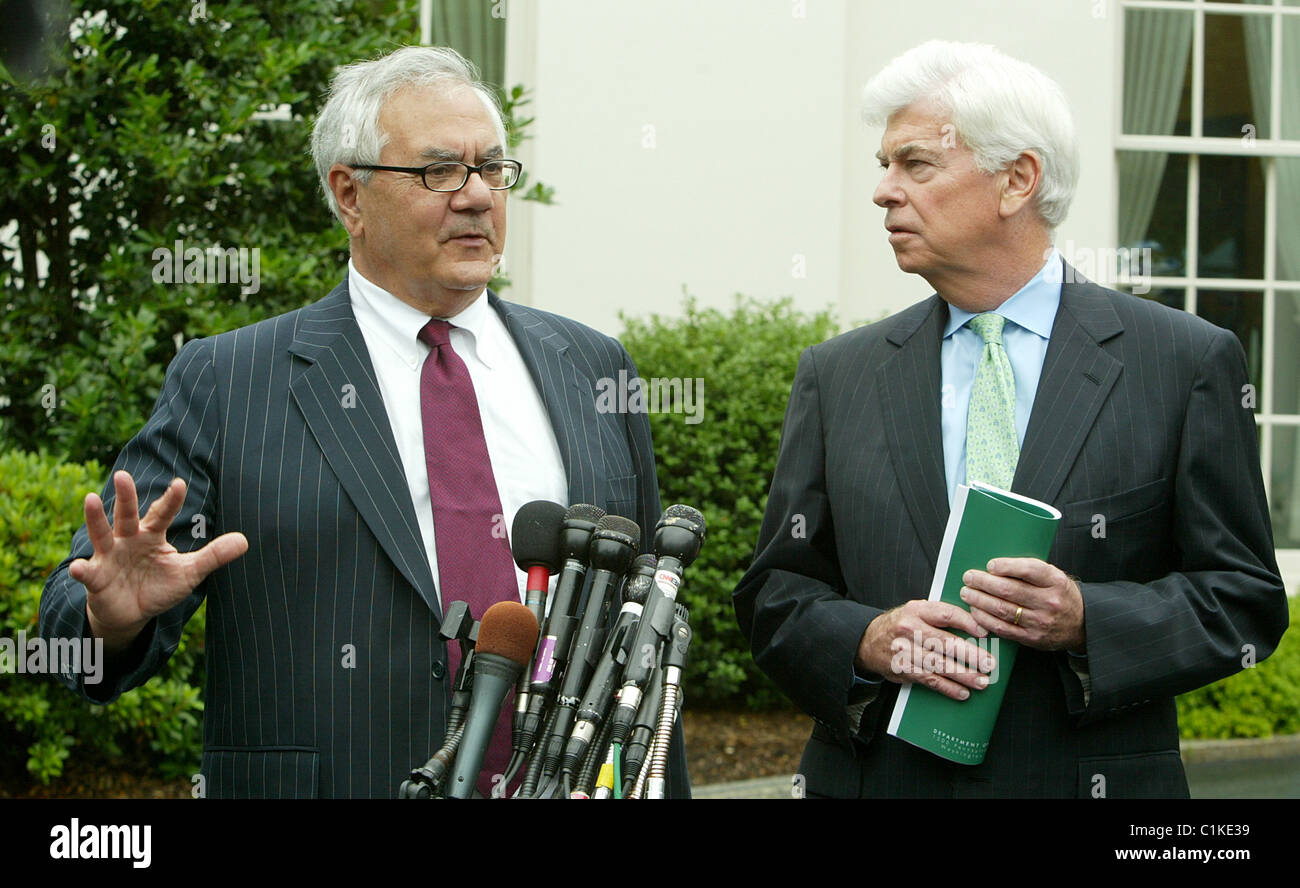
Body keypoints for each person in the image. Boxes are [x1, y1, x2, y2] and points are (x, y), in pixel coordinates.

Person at [40, 45, 689, 799]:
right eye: (439, 171)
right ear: (349, 195)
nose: (477, 196)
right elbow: (82, 614)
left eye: (492, 169)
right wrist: (108, 620)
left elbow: (647, 623)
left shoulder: (590, 365)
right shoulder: (232, 379)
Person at [733, 40, 1288, 798]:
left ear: (1016, 180)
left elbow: (1243, 600)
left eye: (916, 164)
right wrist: (866, 640)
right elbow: (775, 597)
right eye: (883, 165)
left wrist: (1089, 617)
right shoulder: (839, 375)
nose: (884, 191)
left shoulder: (1182, 361)